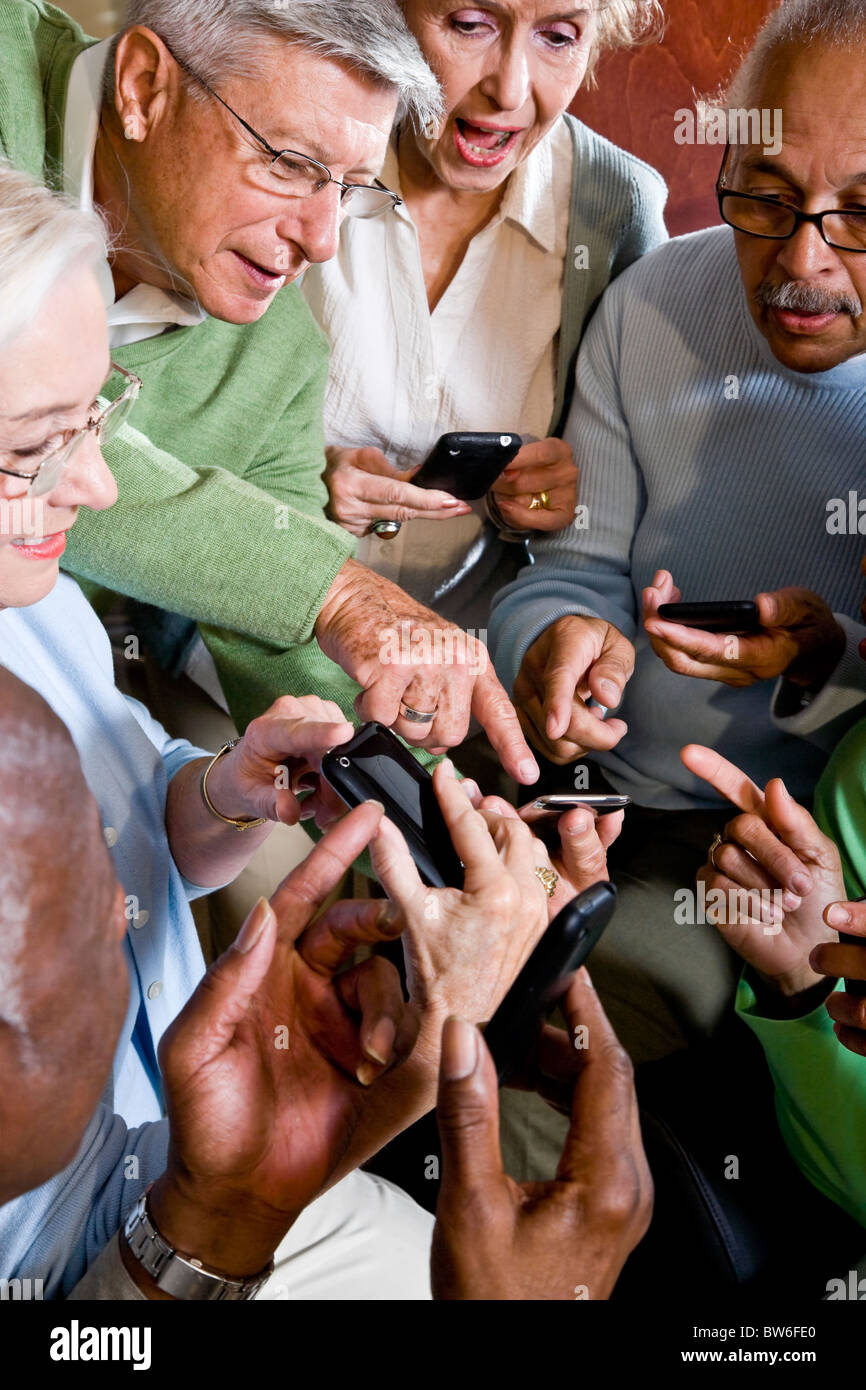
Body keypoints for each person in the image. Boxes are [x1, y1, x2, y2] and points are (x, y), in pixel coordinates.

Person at [0, 0, 538, 784]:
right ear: (143, 86)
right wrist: (329, 588)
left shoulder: (280, 350)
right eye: (289, 164)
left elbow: (279, 631)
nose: (322, 241)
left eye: (352, 189)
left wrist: (440, 807)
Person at [488, 0, 866, 1081]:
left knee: (570, 1032)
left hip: (750, 849)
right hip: (581, 794)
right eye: (765, 194)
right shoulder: (651, 300)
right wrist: (555, 644)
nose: (802, 261)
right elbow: (567, 571)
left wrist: (819, 663)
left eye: (858, 211)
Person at [302, 0, 666, 635]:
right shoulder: (297, 140)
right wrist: (299, 480)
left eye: (558, 36)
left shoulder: (614, 211)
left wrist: (562, 500)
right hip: (230, 677)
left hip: (471, 689)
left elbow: (627, 517)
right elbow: (173, 417)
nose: (510, 89)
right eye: (471, 26)